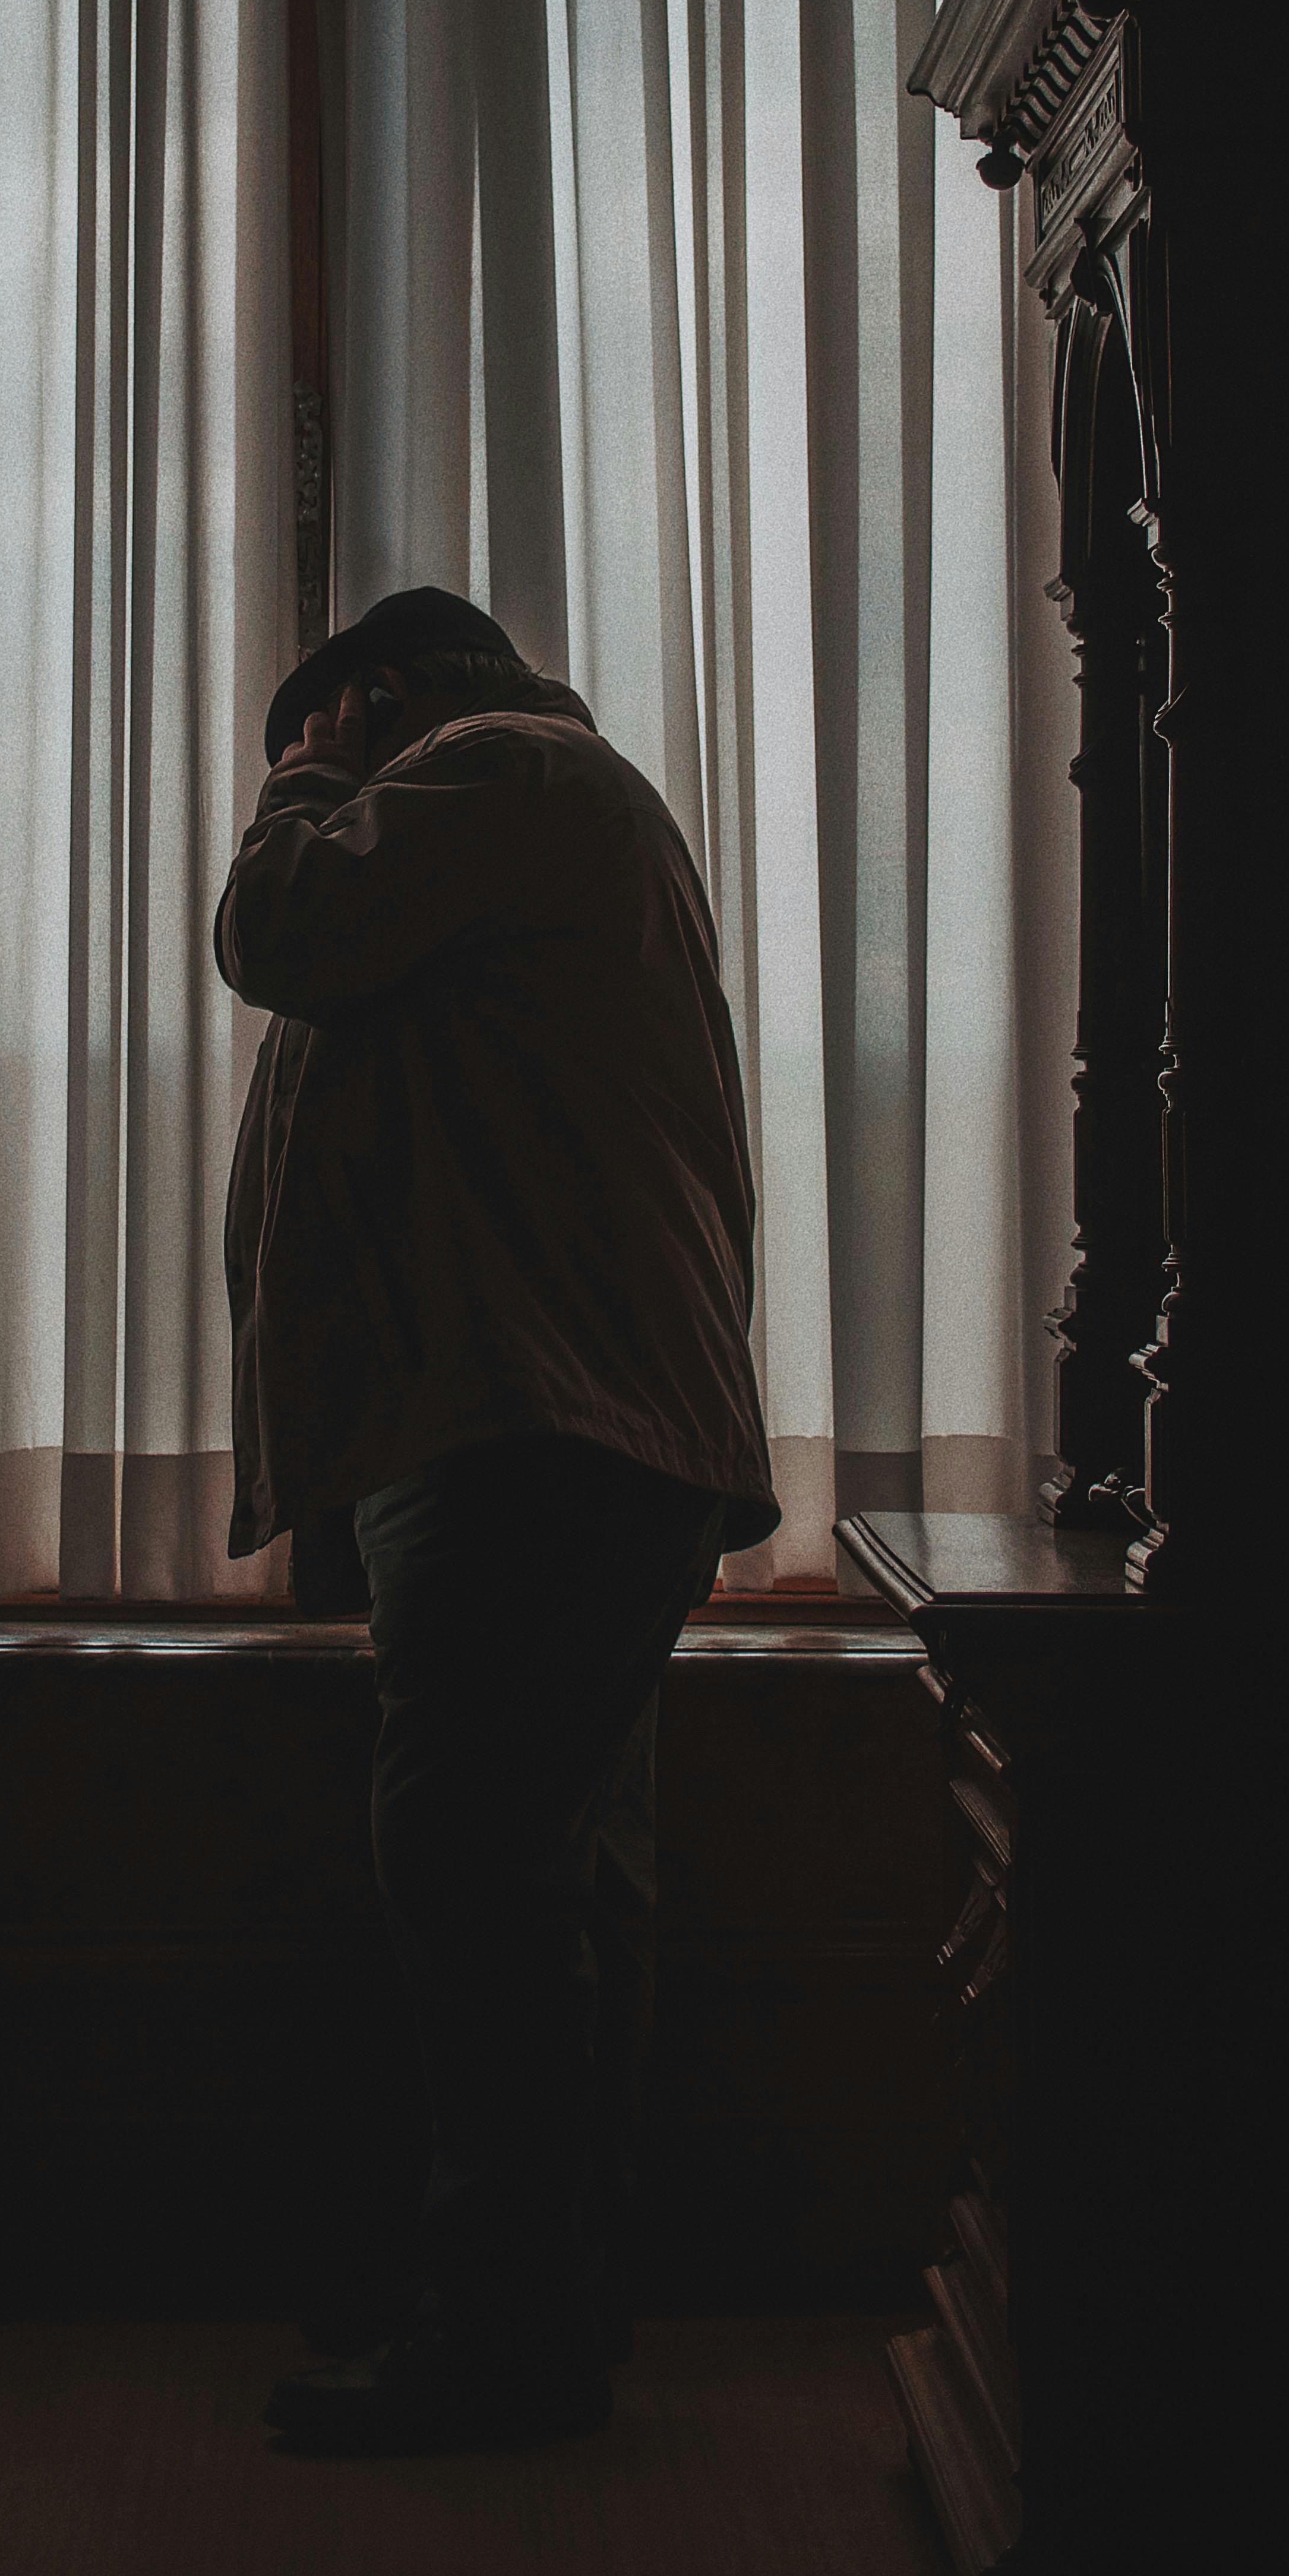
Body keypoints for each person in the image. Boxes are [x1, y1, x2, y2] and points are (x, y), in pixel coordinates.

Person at [215, 584, 778, 2455]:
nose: (300, 770)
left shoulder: (500, 772)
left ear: (372, 698)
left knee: (470, 1869)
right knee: (548, 1883)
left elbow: (280, 931)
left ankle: (496, 2340)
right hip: (549, 1416)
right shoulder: (542, 810)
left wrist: (300, 791)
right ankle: (532, 2305)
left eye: (315, 732)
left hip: (534, 1421)